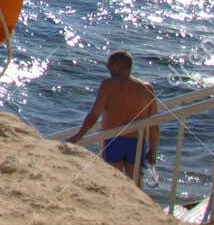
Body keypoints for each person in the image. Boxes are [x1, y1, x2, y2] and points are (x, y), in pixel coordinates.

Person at [69, 51, 161, 179]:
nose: (107, 67)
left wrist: (79, 135)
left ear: (118, 65)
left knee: (114, 181)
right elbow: (154, 125)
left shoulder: (108, 84)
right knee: (135, 185)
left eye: (110, 64)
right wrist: (153, 150)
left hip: (113, 139)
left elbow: (93, 115)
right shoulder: (147, 88)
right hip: (137, 142)